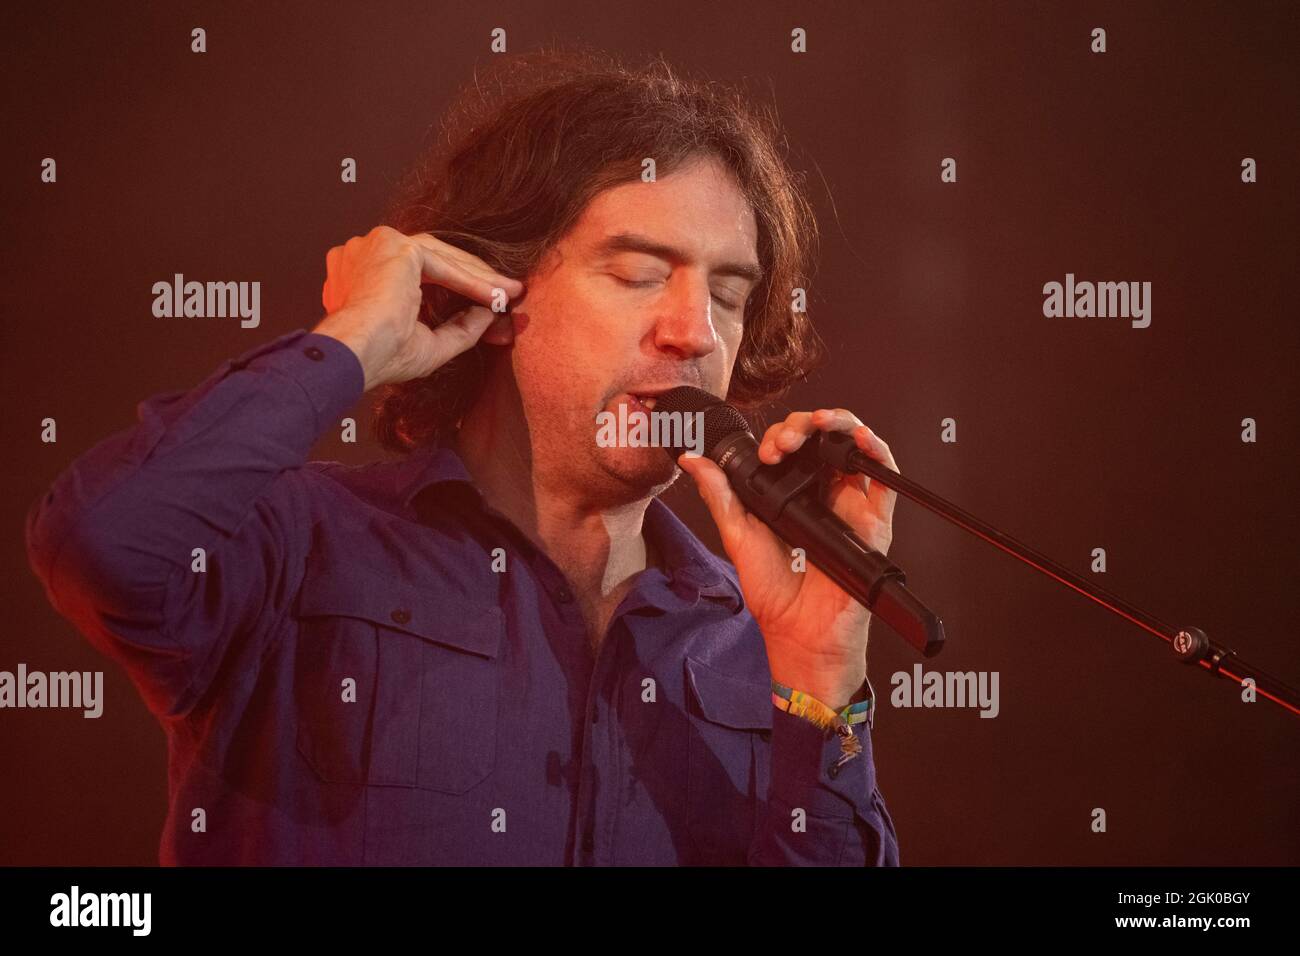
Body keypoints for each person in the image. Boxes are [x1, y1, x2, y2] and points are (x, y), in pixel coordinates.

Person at [25, 48, 902, 865]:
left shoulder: (761, 644)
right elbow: (101, 541)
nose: (696, 334)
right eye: (638, 274)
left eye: (727, 293)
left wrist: (824, 677)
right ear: (496, 287)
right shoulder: (300, 544)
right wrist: (352, 345)